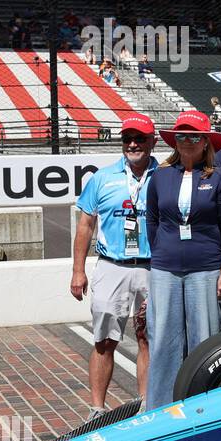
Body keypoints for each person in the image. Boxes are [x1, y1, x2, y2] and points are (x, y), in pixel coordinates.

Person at [143, 111, 221, 410]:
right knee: (164, 343)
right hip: (165, 269)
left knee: (204, 341)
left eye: (193, 136)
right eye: (181, 136)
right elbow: (153, 220)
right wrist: (163, 252)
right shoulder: (161, 175)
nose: (186, 141)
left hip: (206, 269)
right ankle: (160, 408)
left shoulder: (218, 178)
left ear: (205, 141)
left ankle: (204, 406)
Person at [70, 114, 157, 420]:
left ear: (153, 141)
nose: (133, 144)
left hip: (153, 268)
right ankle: (97, 408)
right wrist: (77, 271)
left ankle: (147, 405)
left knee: (148, 337)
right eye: (127, 138)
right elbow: (85, 226)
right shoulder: (102, 178)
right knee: (104, 340)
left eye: (140, 138)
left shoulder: (164, 175)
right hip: (112, 266)